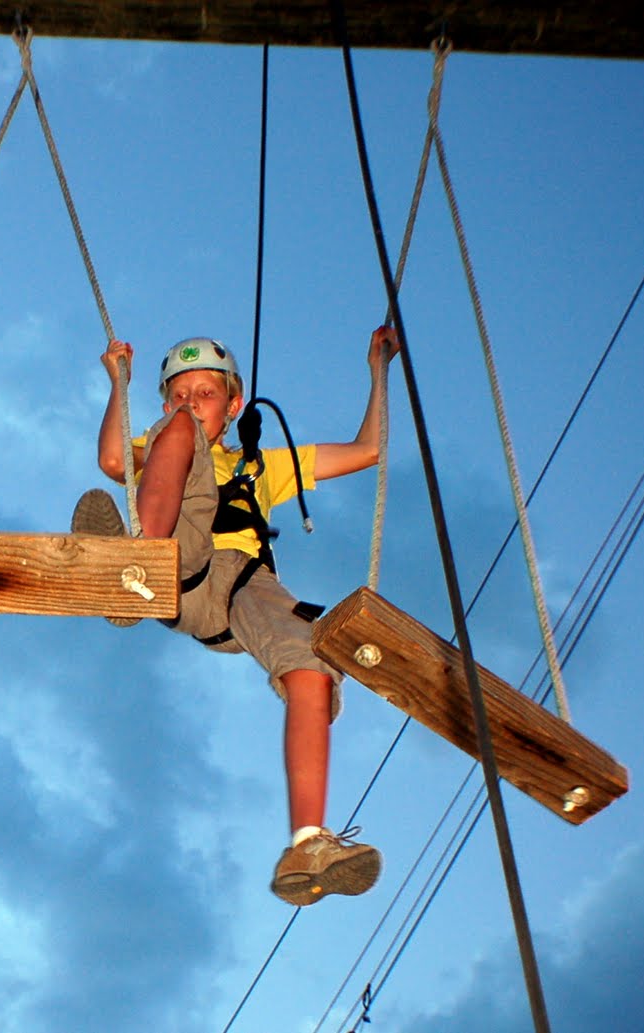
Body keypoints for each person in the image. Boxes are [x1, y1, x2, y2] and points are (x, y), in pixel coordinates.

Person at [70, 328, 398, 905]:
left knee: (311, 666)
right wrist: (118, 382)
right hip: (181, 561)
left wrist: (379, 368)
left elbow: (368, 450)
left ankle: (309, 843)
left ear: (235, 403)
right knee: (179, 441)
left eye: (205, 393)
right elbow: (114, 459)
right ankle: (134, 565)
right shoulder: (169, 433)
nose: (191, 403)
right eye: (178, 393)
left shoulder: (261, 465)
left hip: (246, 587)